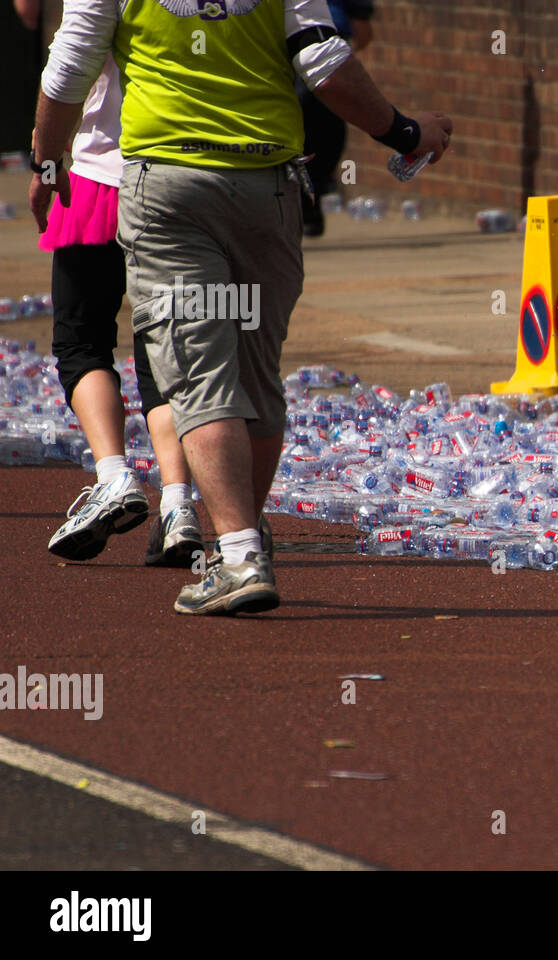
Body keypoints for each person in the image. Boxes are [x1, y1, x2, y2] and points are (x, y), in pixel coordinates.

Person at [32, 0, 452, 615]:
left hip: (170, 191)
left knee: (201, 373)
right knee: (255, 372)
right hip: (268, 188)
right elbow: (325, 61)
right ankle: (245, 538)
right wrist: (405, 132)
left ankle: (237, 556)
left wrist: (46, 160)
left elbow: (71, 60)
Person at [36, 46, 201, 567]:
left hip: (100, 177)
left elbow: (67, 69)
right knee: (167, 350)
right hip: (185, 184)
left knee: (81, 340)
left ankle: (114, 476)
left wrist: (44, 163)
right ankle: (179, 506)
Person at [299, 0, 374, 236]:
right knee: (307, 113)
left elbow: (363, 31)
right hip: (291, 38)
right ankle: (305, 194)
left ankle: (312, 193)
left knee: (328, 122)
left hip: (329, 38)